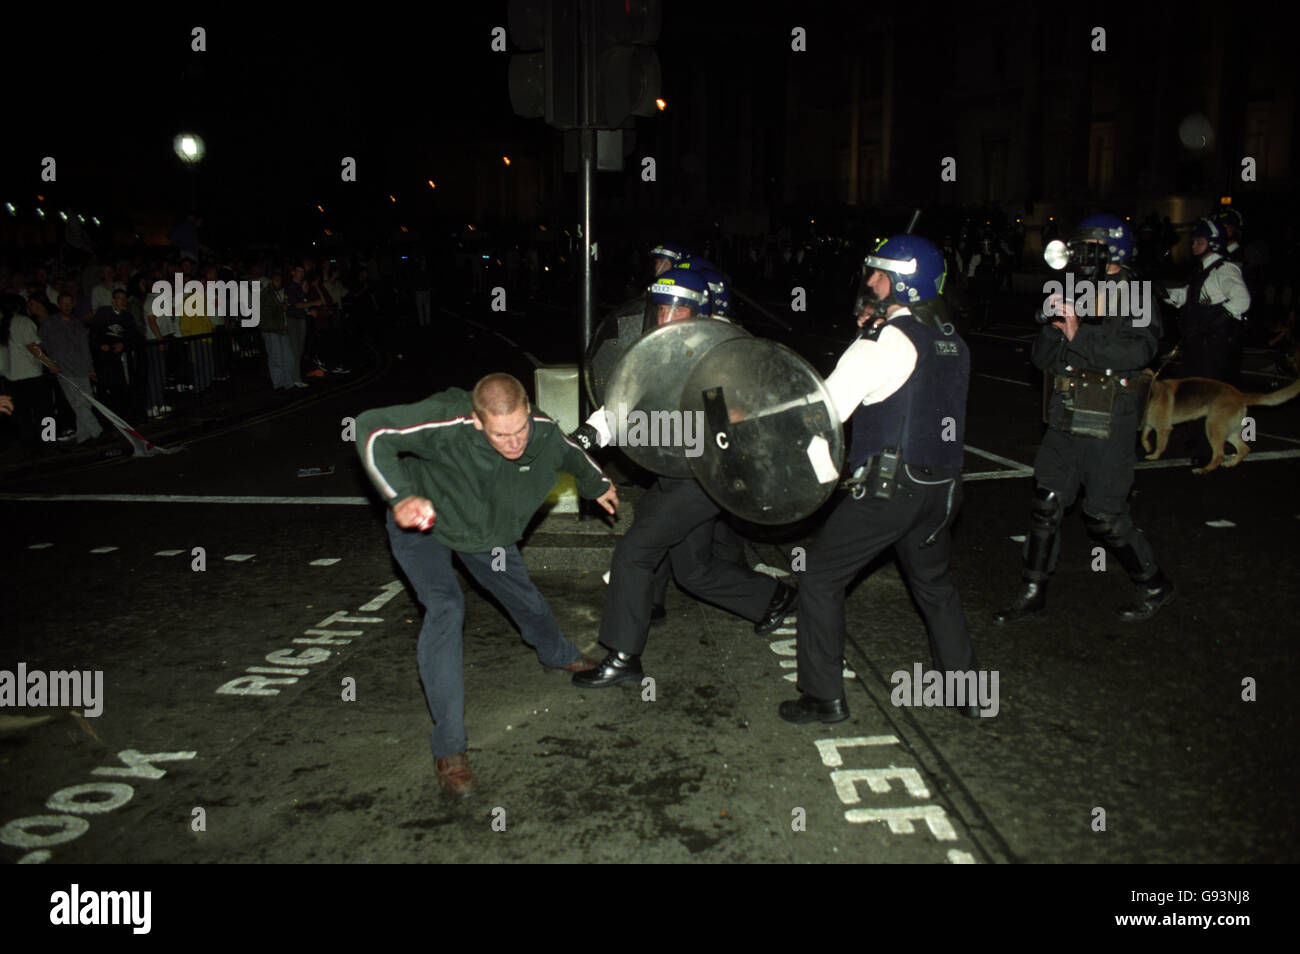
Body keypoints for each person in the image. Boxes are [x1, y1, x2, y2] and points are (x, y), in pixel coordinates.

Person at [355, 373, 617, 796]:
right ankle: (450, 748)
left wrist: (598, 484)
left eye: (520, 430)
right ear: (478, 422)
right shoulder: (444, 421)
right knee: (446, 607)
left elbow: (571, 452)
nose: (515, 444)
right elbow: (371, 428)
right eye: (501, 435)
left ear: (529, 412)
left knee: (524, 597)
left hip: (483, 532)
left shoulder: (541, 430)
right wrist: (400, 495)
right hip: (423, 521)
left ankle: (557, 653)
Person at [779, 235, 980, 724]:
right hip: (943, 491)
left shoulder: (881, 343)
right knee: (934, 586)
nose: (869, 282)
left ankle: (822, 697)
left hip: (890, 491)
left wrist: (821, 480)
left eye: (880, 275)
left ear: (903, 283)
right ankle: (967, 692)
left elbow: (823, 414)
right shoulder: (954, 341)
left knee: (821, 579)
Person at [568, 269, 797, 690]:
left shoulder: (717, 357)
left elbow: (724, 429)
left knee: (634, 553)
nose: (668, 317)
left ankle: (623, 656)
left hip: (703, 478)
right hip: (675, 474)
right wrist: (586, 435)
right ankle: (772, 598)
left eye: (680, 309)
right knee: (692, 571)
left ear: (700, 313)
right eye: (661, 309)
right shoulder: (655, 352)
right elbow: (624, 404)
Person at [993, 213, 1175, 626]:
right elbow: (1041, 358)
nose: (1077, 254)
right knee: (1047, 501)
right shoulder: (1072, 287)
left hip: (1112, 413)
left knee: (1104, 514)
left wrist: (1080, 335)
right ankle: (1033, 589)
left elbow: (1139, 351)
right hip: (1067, 409)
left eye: (1087, 245)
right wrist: (1056, 327)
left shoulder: (1137, 293)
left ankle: (1154, 583)